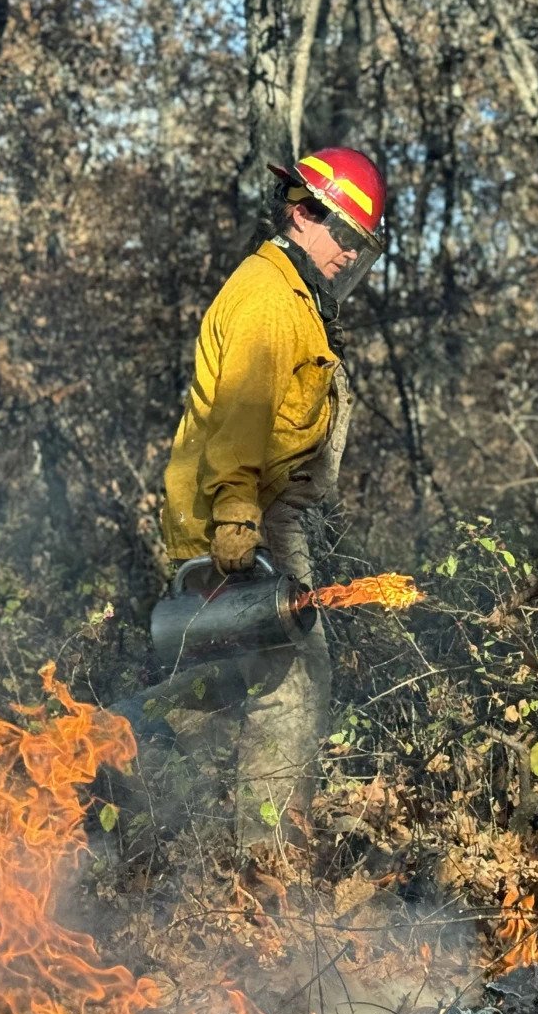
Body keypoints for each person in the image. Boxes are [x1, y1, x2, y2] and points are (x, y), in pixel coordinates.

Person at [159, 146, 386, 851]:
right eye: (342, 234)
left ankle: (164, 841)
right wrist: (234, 517)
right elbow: (242, 416)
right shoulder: (268, 299)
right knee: (291, 686)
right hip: (242, 524)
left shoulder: (293, 298)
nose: (349, 253)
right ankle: (264, 866)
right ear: (301, 213)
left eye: (359, 242)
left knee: (211, 698)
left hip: (259, 515)